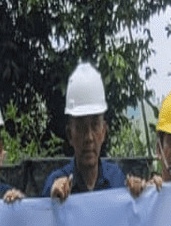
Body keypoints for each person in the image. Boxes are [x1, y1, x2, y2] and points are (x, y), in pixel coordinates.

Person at [46, 63, 130, 202]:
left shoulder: (116, 180)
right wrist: (53, 199)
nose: (89, 137)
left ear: (104, 131)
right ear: (69, 134)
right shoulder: (56, 185)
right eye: (80, 128)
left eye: (95, 126)